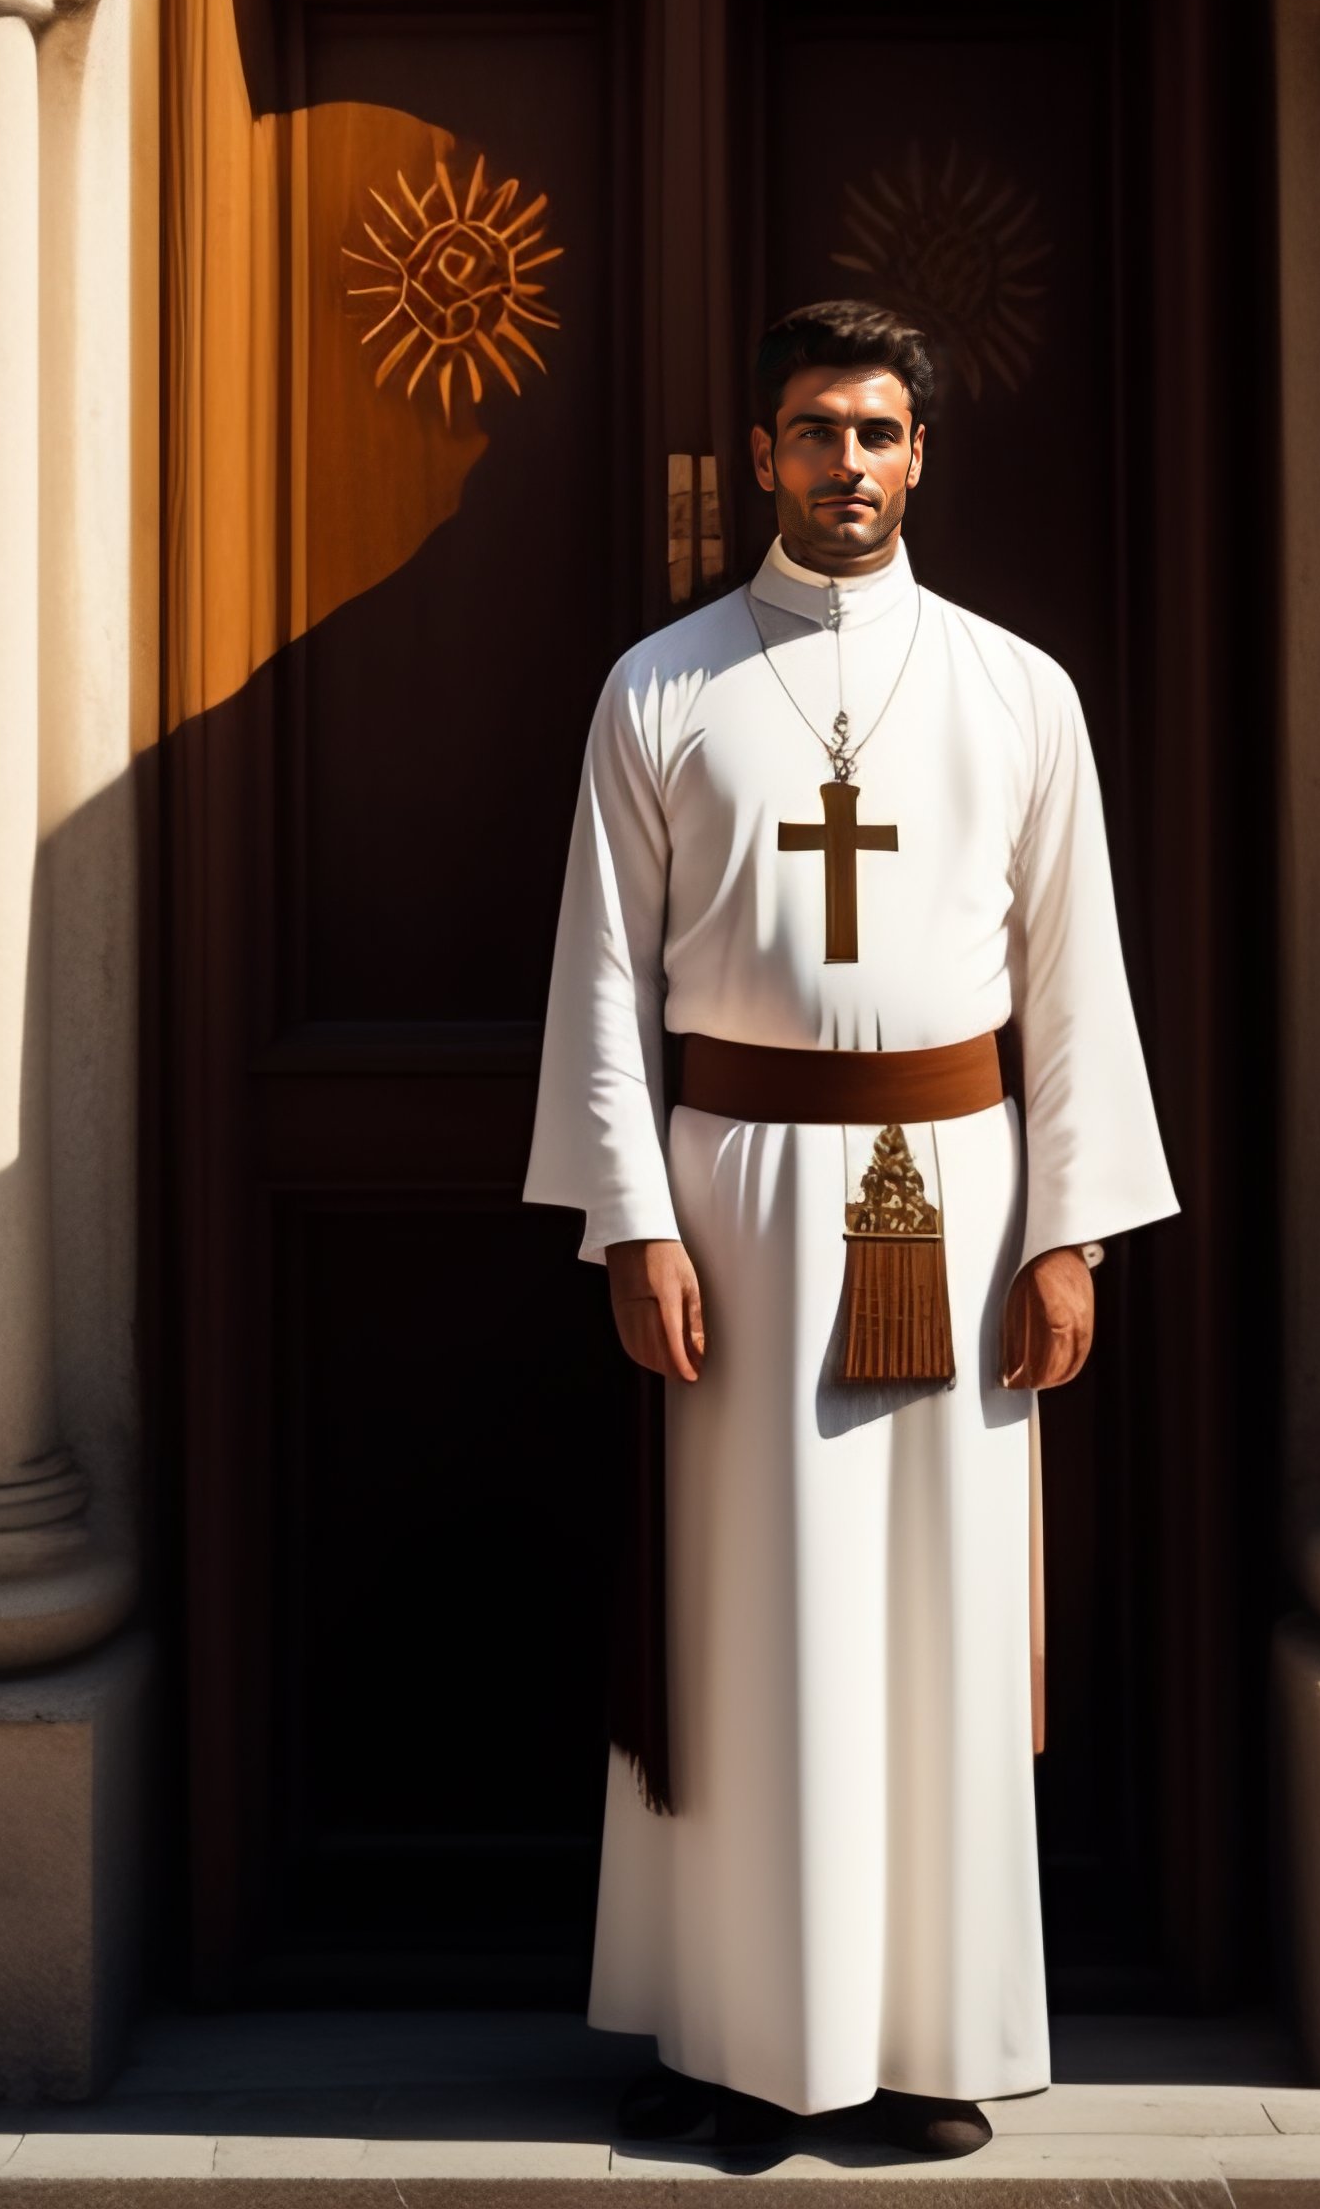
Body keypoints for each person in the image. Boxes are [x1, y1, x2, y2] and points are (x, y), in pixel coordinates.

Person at [524, 298, 1176, 2154]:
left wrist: (1074, 1236)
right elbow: (599, 981)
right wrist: (632, 1223)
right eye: (817, 431)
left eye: (880, 433)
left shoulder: (1014, 691)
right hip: (735, 1207)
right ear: (761, 455)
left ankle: (922, 2042)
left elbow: (1075, 988)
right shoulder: (662, 687)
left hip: (957, 1211)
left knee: (934, 1625)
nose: (850, 466)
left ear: (922, 457)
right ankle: (734, 2039)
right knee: (748, 1626)